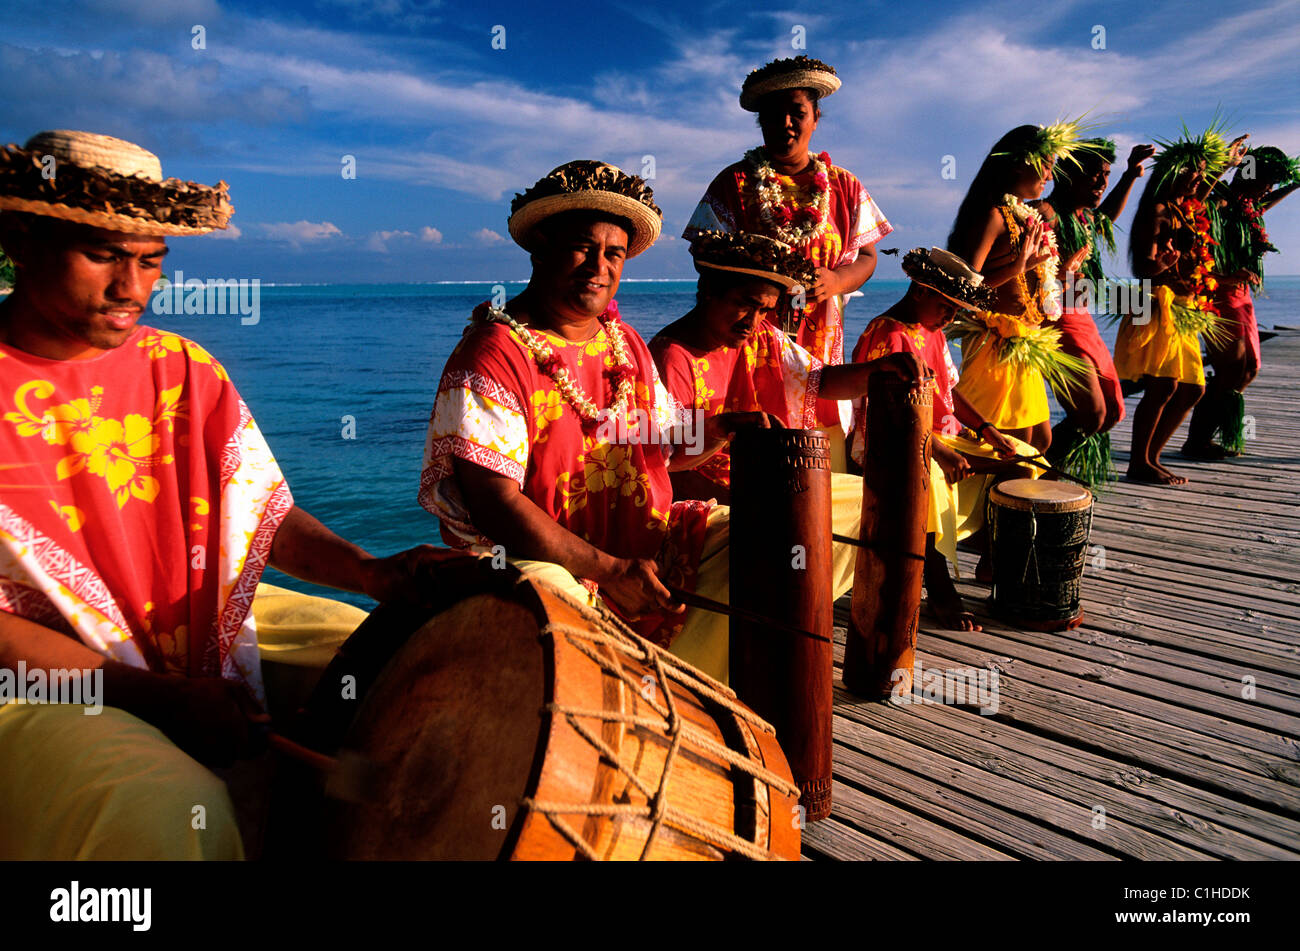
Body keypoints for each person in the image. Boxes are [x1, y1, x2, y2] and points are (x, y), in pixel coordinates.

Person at [0, 130, 450, 860]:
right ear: (20, 238)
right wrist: (152, 695)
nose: (132, 288)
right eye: (104, 254)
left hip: (186, 622)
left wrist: (374, 573)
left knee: (393, 669)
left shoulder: (180, 366)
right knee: (165, 807)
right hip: (31, 679)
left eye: (150, 261)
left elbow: (259, 514)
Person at [420, 161, 757, 683]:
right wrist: (608, 571)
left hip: (641, 552)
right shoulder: (493, 353)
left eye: (614, 253)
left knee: (760, 544)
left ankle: (708, 698)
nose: (598, 266)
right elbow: (496, 504)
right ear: (540, 248)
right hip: (546, 569)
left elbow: (660, 445)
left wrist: (719, 430)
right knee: (554, 599)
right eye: (582, 247)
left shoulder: (624, 345)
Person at [648, 230, 924, 602]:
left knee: (877, 498)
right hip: (712, 500)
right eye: (746, 303)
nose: (754, 319)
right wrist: (758, 488)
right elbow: (668, 465)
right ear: (708, 290)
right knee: (801, 523)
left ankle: (813, 606)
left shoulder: (760, 333)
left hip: (766, 482)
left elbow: (820, 379)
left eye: (764, 309)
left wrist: (879, 370)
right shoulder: (671, 356)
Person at [683, 55, 892, 469]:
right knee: (756, 469)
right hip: (749, 345)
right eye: (772, 115)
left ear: (815, 117)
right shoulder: (735, 182)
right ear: (760, 123)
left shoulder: (845, 186)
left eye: (797, 112)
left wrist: (835, 280)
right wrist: (758, 285)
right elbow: (702, 254)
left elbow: (868, 257)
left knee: (819, 476)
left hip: (820, 345)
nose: (785, 124)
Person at [851, 248, 1038, 628]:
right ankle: (939, 590)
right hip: (890, 441)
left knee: (1023, 456)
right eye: (946, 307)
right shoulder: (886, 333)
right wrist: (934, 450)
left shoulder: (931, 330)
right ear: (919, 291)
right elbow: (887, 415)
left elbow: (949, 393)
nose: (951, 318)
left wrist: (989, 430)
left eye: (957, 311)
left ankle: (992, 557)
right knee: (928, 482)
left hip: (940, 436)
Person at [946, 123, 1096, 453]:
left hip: (1026, 342)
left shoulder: (1023, 215)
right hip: (996, 346)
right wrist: (1018, 266)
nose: (1050, 176)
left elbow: (1026, 282)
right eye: (1046, 165)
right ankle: (991, 504)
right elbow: (965, 288)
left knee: (1040, 440)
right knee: (1007, 445)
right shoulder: (993, 215)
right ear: (1018, 162)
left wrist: (1062, 274)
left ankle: (1011, 503)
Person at [1114, 124, 1249, 484]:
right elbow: (1144, 266)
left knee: (1191, 387)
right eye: (1191, 172)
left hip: (1184, 308)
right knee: (1164, 387)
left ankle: (1150, 458)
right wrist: (1168, 262)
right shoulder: (1157, 210)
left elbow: (1201, 194)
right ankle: (1139, 463)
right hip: (1160, 306)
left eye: (1201, 173)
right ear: (1173, 173)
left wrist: (1227, 164)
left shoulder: (1184, 206)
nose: (1197, 179)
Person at [1041, 138, 1156, 484]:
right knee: (1091, 414)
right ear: (1066, 174)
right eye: (1093, 174)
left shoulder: (1082, 217)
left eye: (1105, 175)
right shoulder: (1045, 213)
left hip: (1081, 316)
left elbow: (1106, 216)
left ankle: (1053, 472)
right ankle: (1038, 474)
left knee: (1109, 412)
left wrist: (1130, 175)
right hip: (1053, 321)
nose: (1101, 182)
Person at [1183, 145, 1299, 458]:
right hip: (1217, 293)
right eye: (1267, 179)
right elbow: (1198, 203)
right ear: (1250, 172)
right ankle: (1197, 441)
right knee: (1230, 370)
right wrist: (1226, 162)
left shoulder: (1248, 205)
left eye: (1275, 182)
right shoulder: (1218, 201)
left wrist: (1295, 184)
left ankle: (1215, 434)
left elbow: (1265, 202)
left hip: (1241, 295)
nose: (1269, 187)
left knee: (1249, 369)